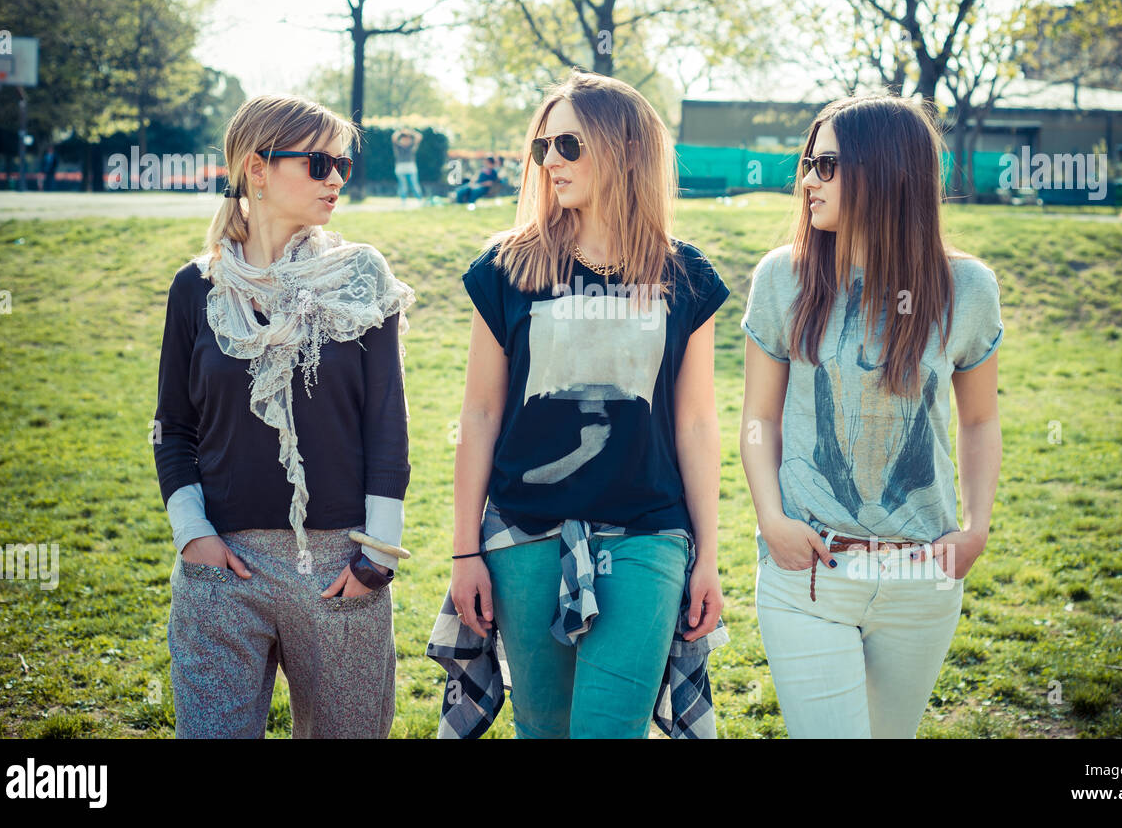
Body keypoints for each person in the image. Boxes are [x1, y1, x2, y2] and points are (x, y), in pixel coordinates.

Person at [427, 70, 730, 739]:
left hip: (648, 535)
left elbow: (697, 422)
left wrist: (707, 554)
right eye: (542, 147)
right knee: (543, 729)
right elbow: (478, 415)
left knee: (610, 729)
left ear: (622, 149)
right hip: (522, 535)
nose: (549, 162)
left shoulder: (684, 276)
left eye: (567, 144)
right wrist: (463, 550)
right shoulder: (507, 268)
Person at [741, 92, 1003, 738]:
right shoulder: (783, 278)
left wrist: (975, 529)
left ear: (886, 170)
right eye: (808, 161)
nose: (807, 179)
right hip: (810, 574)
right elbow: (758, 419)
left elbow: (979, 422)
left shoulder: (967, 290)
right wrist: (771, 519)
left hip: (923, 580)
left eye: (826, 163)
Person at [153, 93, 415, 738]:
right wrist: (194, 536)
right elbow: (173, 425)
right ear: (257, 168)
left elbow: (388, 423)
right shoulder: (197, 287)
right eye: (319, 163)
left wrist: (376, 558)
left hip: (339, 566)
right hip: (222, 565)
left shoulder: (360, 276)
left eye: (343, 166)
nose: (336, 179)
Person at [393, 128, 424, 202]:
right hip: (400, 167)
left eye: (407, 139)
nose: (406, 140)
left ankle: (419, 200)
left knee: (415, 185)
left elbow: (419, 136)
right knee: (403, 186)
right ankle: (403, 201)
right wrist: (401, 131)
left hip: (411, 167)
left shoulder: (412, 146)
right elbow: (393, 137)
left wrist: (411, 132)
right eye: (404, 139)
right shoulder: (398, 146)